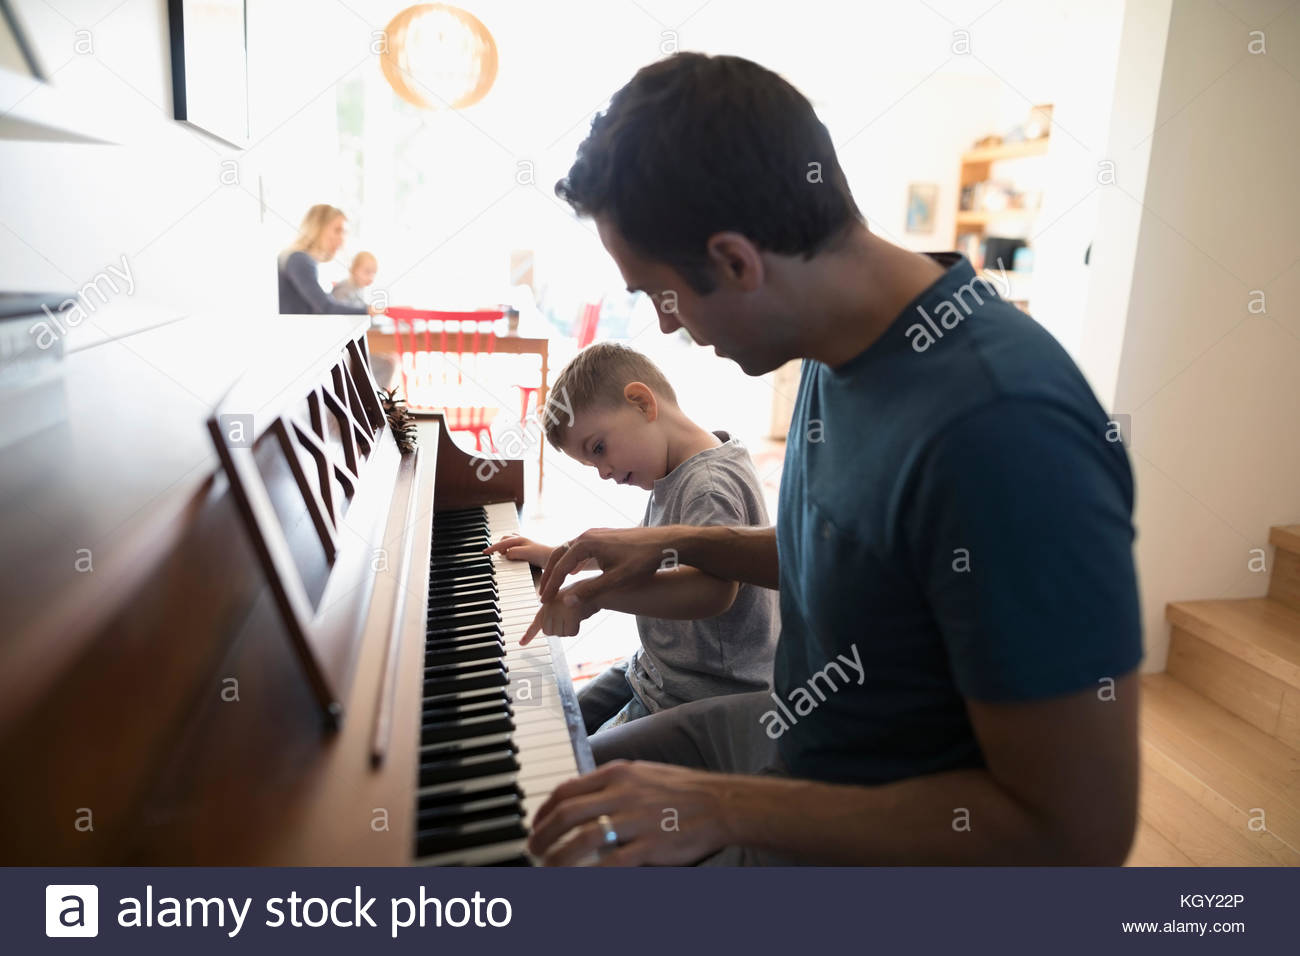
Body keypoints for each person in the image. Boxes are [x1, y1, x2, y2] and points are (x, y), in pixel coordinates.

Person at [523, 53, 1143, 866]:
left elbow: (1076, 832)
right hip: (788, 745)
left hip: (867, 846)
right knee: (530, 803)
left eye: (659, 295)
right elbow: (856, 562)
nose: (668, 328)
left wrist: (725, 806)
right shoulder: (837, 344)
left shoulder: (1004, 431)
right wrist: (666, 542)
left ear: (737, 261)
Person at [484, 342, 779, 741]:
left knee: (575, 764)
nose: (603, 472)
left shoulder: (707, 486)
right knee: (550, 723)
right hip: (658, 668)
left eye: (599, 448)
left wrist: (593, 596)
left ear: (642, 403)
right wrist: (560, 555)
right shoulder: (679, 468)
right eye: (592, 464)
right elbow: (645, 553)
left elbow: (712, 592)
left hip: (705, 693)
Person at [277, 204, 369, 315]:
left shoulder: (305, 261)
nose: (342, 239)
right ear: (318, 229)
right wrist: (368, 310)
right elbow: (326, 307)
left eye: (344, 232)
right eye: (337, 230)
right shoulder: (299, 260)